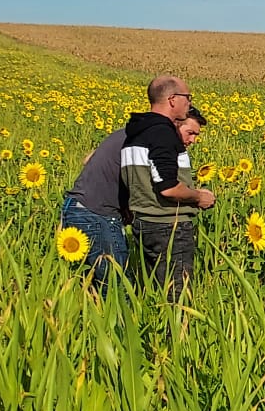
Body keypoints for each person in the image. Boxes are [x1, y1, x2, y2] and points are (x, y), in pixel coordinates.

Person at [119, 75, 214, 294]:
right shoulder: (162, 133)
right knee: (176, 298)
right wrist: (199, 197)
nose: (189, 103)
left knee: (152, 291)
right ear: (172, 99)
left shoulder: (135, 132)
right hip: (169, 226)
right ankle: (176, 329)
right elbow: (168, 187)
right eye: (187, 98)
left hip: (143, 223)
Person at [63, 123, 131, 289]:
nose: (192, 140)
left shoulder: (126, 133)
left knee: (88, 283)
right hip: (97, 213)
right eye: (190, 133)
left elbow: (88, 159)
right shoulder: (150, 139)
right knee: (117, 288)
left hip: (76, 206)